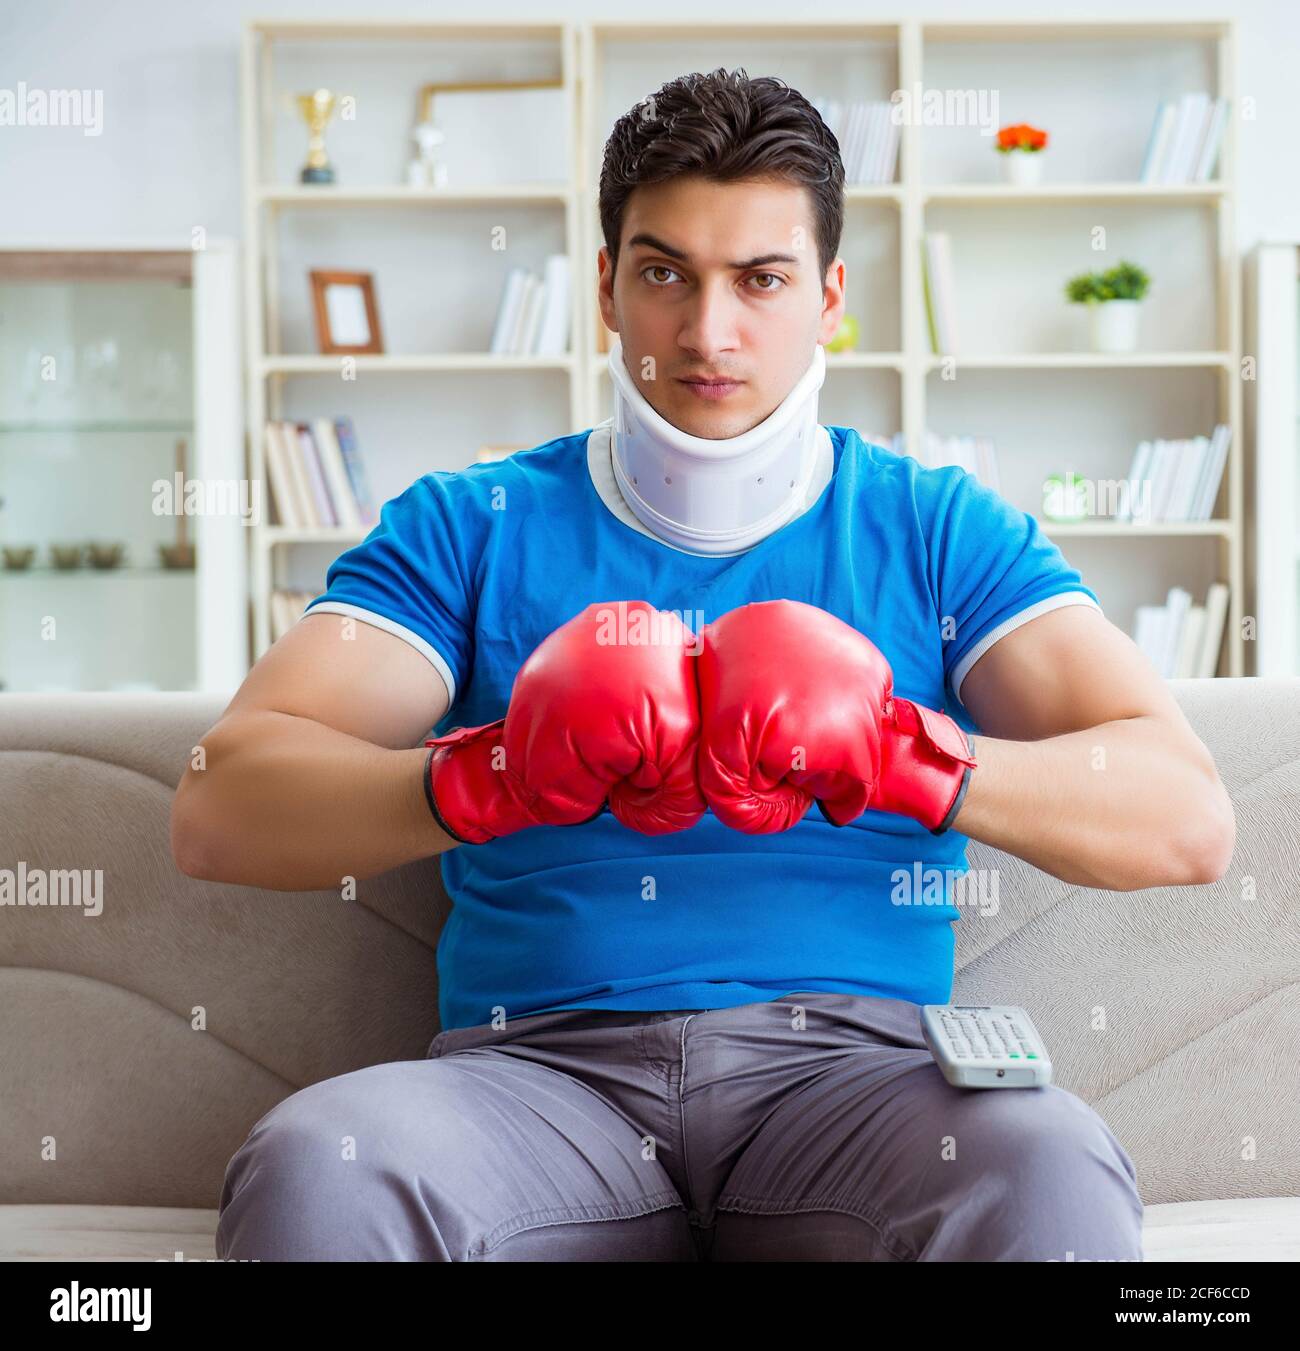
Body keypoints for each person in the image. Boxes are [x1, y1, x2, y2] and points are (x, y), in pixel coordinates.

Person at [172, 68, 1234, 1262]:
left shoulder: (937, 530)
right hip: (535, 1082)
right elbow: (221, 801)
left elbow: (1185, 817)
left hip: (859, 1089)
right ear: (607, 291)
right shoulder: (473, 525)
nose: (707, 329)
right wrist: (494, 774)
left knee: (1048, 1167)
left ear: (830, 297)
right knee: (320, 1166)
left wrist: (908, 755)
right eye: (663, 271)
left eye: (761, 279)